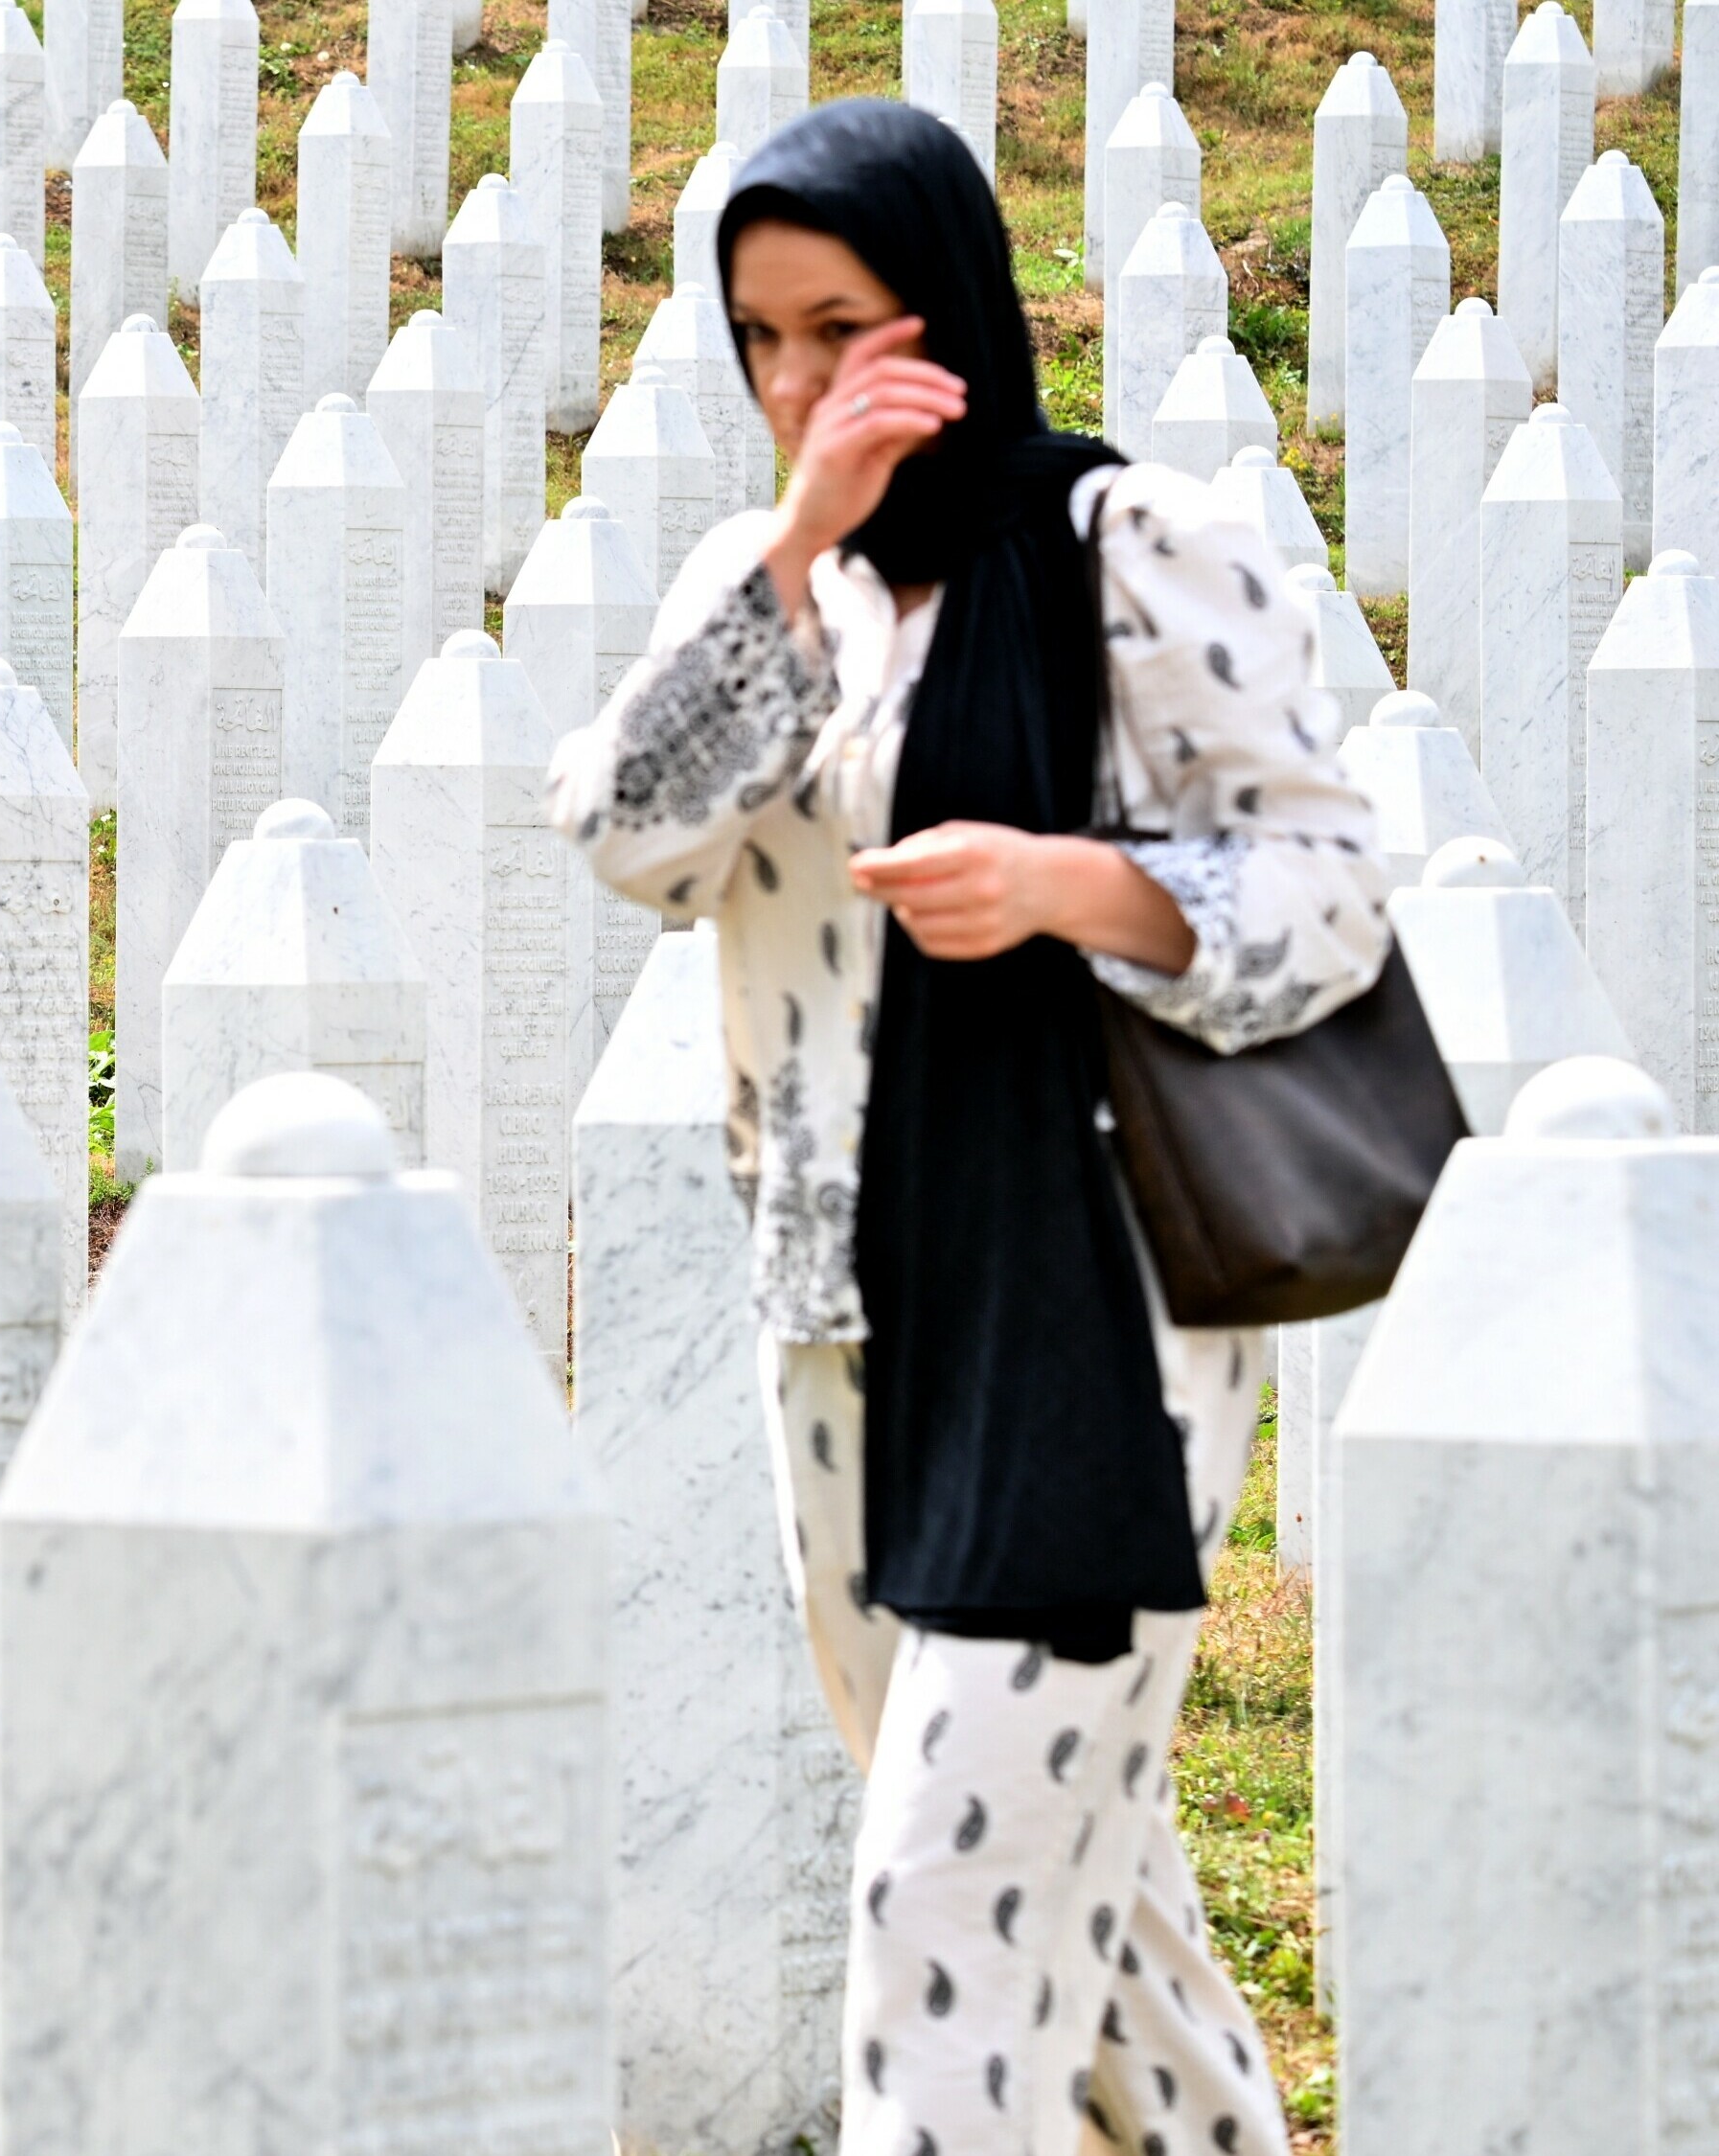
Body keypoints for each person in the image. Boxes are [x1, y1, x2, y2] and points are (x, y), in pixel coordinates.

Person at [545, 102, 1385, 2156]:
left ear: (948, 306)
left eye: (840, 325)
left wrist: (1072, 887)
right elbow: (619, 840)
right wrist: (791, 539)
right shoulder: (766, 605)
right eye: (759, 339)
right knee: (1068, 1897)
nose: (801, 380)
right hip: (835, 1294)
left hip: (1094, 1308)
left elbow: (1331, 892)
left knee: (938, 1883)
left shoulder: (1128, 553)